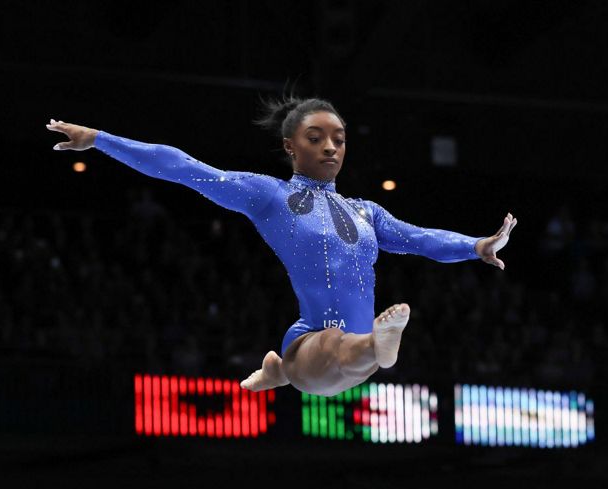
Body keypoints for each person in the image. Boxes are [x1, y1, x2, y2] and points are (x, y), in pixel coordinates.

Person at [45, 96, 515, 396]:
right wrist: (100, 140)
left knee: (351, 352)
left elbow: (420, 238)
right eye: (317, 138)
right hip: (312, 340)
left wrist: (476, 246)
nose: (331, 147)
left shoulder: (367, 212)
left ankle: (300, 365)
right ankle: (346, 352)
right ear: (291, 146)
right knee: (338, 346)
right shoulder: (270, 195)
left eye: (339, 139)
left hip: (344, 354)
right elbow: (184, 168)